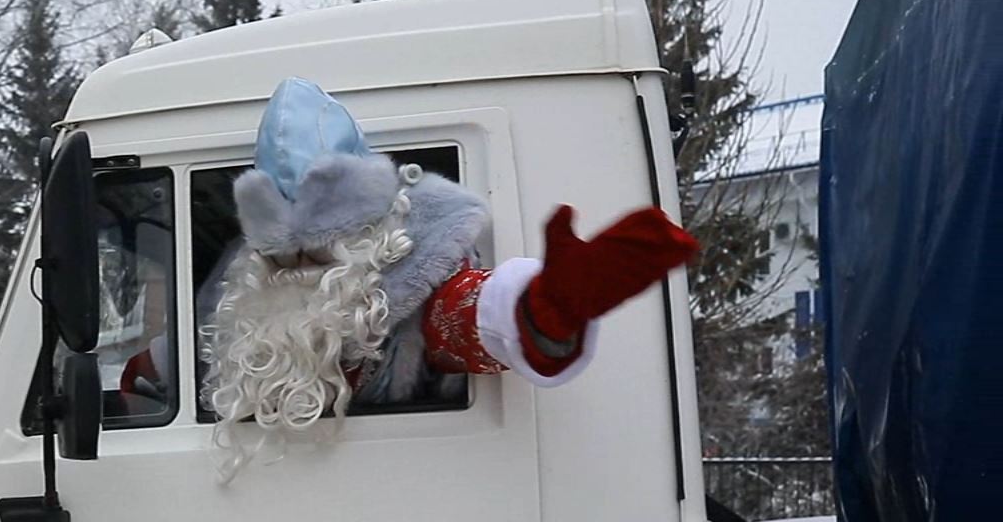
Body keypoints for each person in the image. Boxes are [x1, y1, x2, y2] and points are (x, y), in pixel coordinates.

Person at [199, 78, 698, 479]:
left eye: (324, 250)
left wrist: (547, 305)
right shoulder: (239, 307)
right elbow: (154, 374)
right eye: (285, 258)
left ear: (367, 242)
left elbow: (469, 316)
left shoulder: (412, 293)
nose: (301, 269)